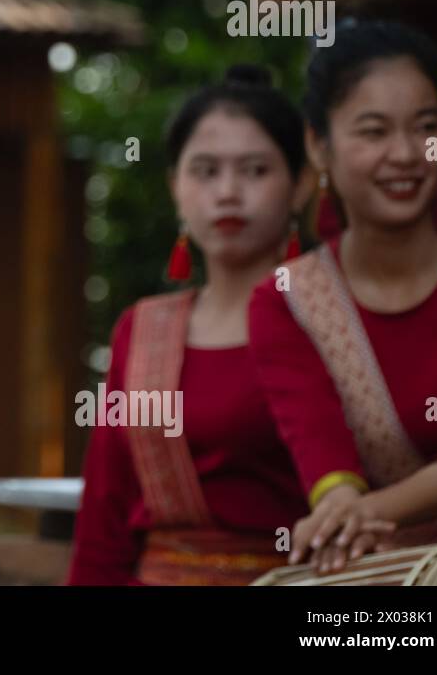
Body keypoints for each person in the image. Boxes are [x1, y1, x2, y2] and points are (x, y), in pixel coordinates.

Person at [249, 20, 437, 576]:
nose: (405, 153)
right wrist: (339, 512)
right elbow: (323, 455)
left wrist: (365, 512)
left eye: (425, 127)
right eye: (373, 132)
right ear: (318, 144)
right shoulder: (288, 300)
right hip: (387, 572)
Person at [68, 65, 312, 585]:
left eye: (255, 170)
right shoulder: (142, 328)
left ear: (301, 184)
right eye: (204, 171)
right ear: (175, 187)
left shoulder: (332, 325)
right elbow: (105, 514)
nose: (228, 192)